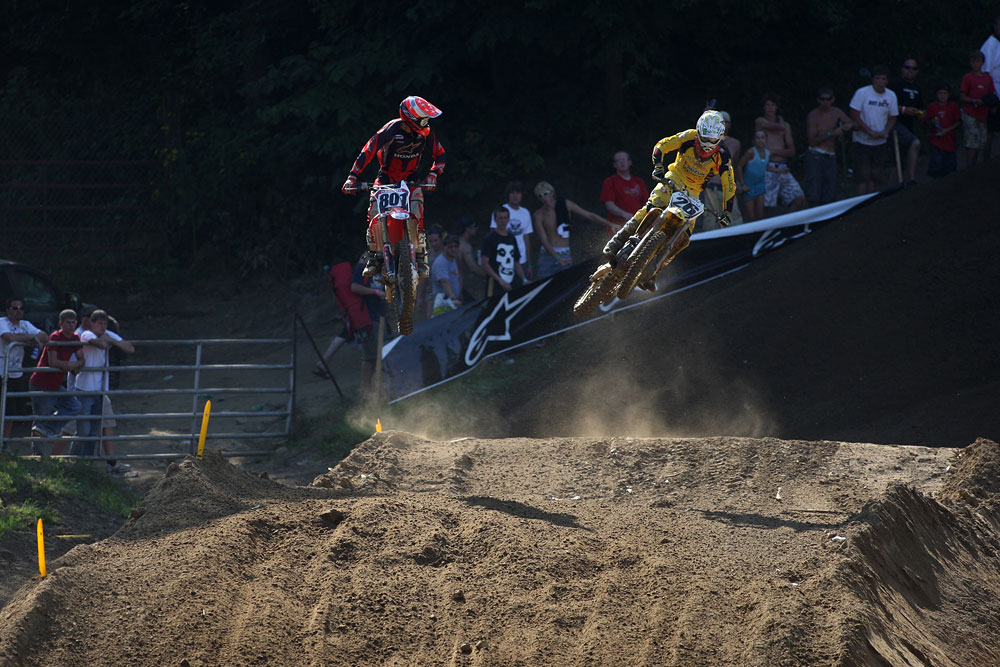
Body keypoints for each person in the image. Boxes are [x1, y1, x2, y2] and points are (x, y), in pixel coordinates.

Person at [603, 110, 736, 283]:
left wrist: (727, 211)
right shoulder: (688, 136)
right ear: (698, 131)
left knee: (685, 236)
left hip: (694, 191)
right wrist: (658, 166)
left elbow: (729, 184)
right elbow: (662, 145)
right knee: (653, 204)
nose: (707, 143)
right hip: (675, 178)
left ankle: (654, 271)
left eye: (712, 140)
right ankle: (617, 241)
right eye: (704, 138)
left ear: (720, 137)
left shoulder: (723, 155)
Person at [342, 96, 446, 279]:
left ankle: (420, 257)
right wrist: (352, 176)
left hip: (411, 180)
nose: (426, 123)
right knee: (374, 212)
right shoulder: (390, 130)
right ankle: (374, 257)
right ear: (410, 118)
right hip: (386, 178)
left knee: (417, 212)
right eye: (423, 120)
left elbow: (440, 154)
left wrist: (433, 174)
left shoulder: (426, 133)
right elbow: (368, 150)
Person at [71, 310, 134, 474]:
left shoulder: (106, 335)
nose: (102, 327)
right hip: (84, 389)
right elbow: (100, 344)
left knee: (93, 430)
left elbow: (129, 348)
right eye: (99, 324)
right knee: (83, 431)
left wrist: (111, 339)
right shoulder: (85, 334)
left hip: (99, 390)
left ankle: (86, 464)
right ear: (92, 324)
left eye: (105, 324)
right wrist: (108, 340)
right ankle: (73, 461)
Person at [533, 181, 615, 279]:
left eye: (545, 193)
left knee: (567, 281)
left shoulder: (565, 205)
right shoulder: (539, 215)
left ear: (552, 193)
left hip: (564, 253)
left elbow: (589, 215)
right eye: (540, 196)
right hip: (547, 256)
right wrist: (557, 258)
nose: (544, 197)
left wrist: (610, 224)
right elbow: (544, 240)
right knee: (543, 282)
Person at [28, 309, 83, 454]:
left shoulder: (75, 338)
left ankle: (49, 428)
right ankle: (38, 455)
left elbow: (81, 359)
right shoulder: (55, 337)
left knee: (75, 406)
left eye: (73, 322)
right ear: (61, 324)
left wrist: (72, 365)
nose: (71, 326)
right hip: (42, 383)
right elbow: (53, 361)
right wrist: (68, 365)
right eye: (68, 323)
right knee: (40, 419)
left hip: (55, 384)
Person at [314, 256, 372, 380]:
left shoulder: (340, 275)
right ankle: (323, 362)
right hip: (356, 309)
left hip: (350, 308)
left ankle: (323, 362)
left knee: (346, 333)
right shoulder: (350, 272)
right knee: (349, 334)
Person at [0, 297, 49, 443]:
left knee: (11, 412)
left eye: (21, 308)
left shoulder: (25, 324)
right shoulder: (2, 322)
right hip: (1, 372)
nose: (18, 311)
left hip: (16, 373)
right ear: (7, 310)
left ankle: (3, 443)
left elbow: (44, 336)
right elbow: (9, 338)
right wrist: (32, 337)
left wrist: (34, 336)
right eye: (15, 308)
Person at [849, 66, 898, 194]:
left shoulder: (891, 95)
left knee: (875, 176)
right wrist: (868, 130)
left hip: (880, 143)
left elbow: (893, 117)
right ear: (873, 79)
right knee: (862, 176)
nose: (880, 82)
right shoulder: (862, 93)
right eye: (877, 78)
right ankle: (860, 203)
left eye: (883, 79)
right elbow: (854, 113)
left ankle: (872, 202)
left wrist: (886, 131)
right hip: (862, 141)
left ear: (887, 80)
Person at [754, 93, 807, 213]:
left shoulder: (785, 125)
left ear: (777, 107)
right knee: (766, 205)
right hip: (767, 167)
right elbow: (774, 127)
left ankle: (787, 220)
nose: (770, 108)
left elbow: (791, 151)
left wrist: (773, 152)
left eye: (773, 105)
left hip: (783, 167)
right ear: (764, 107)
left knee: (799, 198)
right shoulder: (760, 122)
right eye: (767, 105)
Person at [803, 88, 856, 205]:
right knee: (814, 194)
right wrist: (831, 133)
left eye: (828, 99)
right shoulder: (813, 116)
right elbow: (812, 141)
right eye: (822, 99)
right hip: (816, 156)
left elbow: (852, 123)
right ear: (818, 100)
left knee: (830, 194)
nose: (825, 102)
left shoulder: (837, 112)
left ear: (833, 100)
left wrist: (848, 126)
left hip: (831, 157)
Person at [349, 260, 387, 402]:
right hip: (368, 317)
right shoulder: (362, 266)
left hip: (380, 316)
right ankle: (367, 391)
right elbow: (354, 287)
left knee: (378, 352)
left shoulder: (382, 266)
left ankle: (375, 389)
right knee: (371, 355)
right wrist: (376, 292)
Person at [700, 112, 743, 229]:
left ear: (729, 125)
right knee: (710, 220)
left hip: (728, 187)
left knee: (734, 219)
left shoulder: (735, 144)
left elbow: (735, 165)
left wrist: (739, 183)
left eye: (724, 122)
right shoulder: (706, 141)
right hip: (711, 187)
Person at [888, 58, 924, 186]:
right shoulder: (894, 84)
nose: (910, 70)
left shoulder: (917, 88)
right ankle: (911, 180)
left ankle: (897, 187)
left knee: (901, 159)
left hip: (909, 125)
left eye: (914, 68)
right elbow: (885, 104)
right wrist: (903, 109)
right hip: (893, 123)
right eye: (907, 67)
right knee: (914, 143)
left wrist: (921, 114)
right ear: (902, 69)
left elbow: (921, 109)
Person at [490, 182, 534, 280]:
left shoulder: (525, 212)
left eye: (518, 193)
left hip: (522, 259)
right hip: (504, 260)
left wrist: (529, 264)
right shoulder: (500, 211)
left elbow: (526, 239)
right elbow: (493, 236)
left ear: (522, 195)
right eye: (512, 193)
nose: (515, 196)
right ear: (508, 195)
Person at [960, 50, 996, 167]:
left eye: (978, 61)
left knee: (983, 142)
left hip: (983, 115)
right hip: (970, 113)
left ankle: (981, 168)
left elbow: (992, 94)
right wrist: (974, 101)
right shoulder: (968, 77)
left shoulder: (988, 78)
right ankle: (969, 170)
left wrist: (991, 105)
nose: (975, 64)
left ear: (982, 63)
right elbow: (962, 96)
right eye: (973, 61)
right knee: (972, 143)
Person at [600, 152, 650, 230]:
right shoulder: (610, 182)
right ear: (614, 165)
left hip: (638, 225)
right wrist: (624, 214)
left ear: (629, 162)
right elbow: (609, 205)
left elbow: (646, 202)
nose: (622, 162)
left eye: (624, 159)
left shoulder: (639, 181)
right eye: (618, 160)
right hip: (617, 227)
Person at [481, 207, 527, 292]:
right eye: (500, 218)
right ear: (495, 220)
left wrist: (524, 279)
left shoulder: (511, 238)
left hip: (512, 282)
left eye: (505, 218)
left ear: (508, 219)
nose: (503, 221)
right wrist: (500, 280)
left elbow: (516, 262)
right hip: (495, 284)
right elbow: (484, 264)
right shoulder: (489, 238)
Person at [924, 82, 961, 177]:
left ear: (949, 95)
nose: (942, 96)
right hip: (936, 142)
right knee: (936, 169)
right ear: (936, 94)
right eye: (940, 93)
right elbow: (926, 121)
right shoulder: (932, 106)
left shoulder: (953, 106)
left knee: (950, 169)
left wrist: (947, 130)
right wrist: (932, 122)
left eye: (945, 93)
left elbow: (958, 122)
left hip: (950, 142)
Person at [735, 129, 770, 222]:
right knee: (751, 217)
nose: (760, 140)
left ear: (766, 139)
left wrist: (780, 171)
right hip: (749, 187)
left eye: (762, 137)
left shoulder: (768, 153)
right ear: (754, 140)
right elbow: (739, 166)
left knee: (760, 215)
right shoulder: (750, 152)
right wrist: (742, 184)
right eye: (758, 138)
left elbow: (765, 166)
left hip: (760, 186)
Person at [980, 15, 1000, 158]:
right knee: (990, 131)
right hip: (993, 95)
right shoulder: (990, 45)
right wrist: (991, 99)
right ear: (995, 26)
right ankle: (984, 163)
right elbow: (985, 73)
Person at [454, 216, 486, 302]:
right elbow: (473, 269)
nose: (476, 228)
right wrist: (490, 277)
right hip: (454, 283)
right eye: (474, 226)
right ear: (467, 229)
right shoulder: (465, 246)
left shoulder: (453, 242)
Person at [430, 234, 463, 315]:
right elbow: (444, 282)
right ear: (444, 247)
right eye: (450, 247)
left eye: (456, 246)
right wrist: (453, 298)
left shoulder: (453, 259)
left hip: (451, 301)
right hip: (442, 301)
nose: (453, 249)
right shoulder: (441, 262)